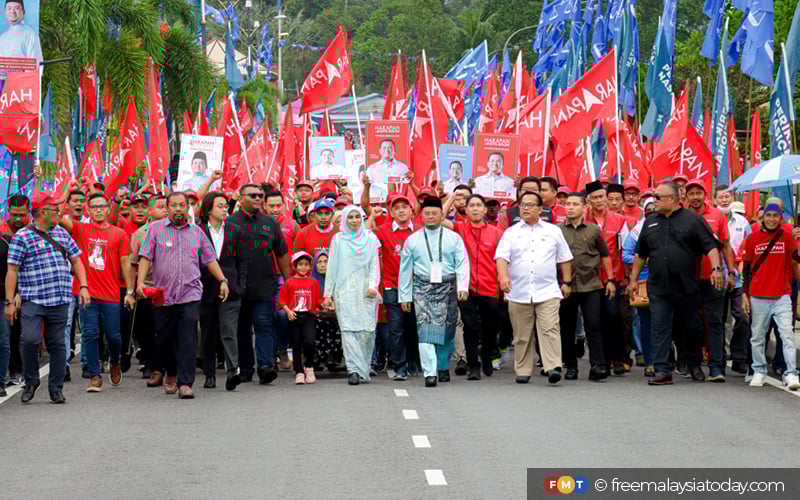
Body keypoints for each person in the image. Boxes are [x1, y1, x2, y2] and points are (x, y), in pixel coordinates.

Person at [627, 182, 724, 386]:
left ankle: (694, 364)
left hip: (687, 286)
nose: (655, 200)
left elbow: (711, 247)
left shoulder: (693, 220)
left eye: (658, 197)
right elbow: (640, 253)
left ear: (672, 198)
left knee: (691, 327)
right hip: (658, 287)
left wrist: (717, 269)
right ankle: (663, 370)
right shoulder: (650, 222)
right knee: (659, 326)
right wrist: (633, 280)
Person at [137, 192, 230, 400]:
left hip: (190, 294)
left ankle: (185, 383)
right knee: (164, 339)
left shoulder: (196, 232)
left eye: (182, 205)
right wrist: (140, 283)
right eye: (174, 205)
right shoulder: (155, 230)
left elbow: (209, 259)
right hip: (163, 295)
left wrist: (222, 280)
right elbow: (145, 257)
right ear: (167, 208)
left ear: (187, 207)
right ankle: (171, 372)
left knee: (188, 338)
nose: (178, 209)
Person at [6, 192, 90, 404]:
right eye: (55, 209)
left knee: (57, 345)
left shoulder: (62, 233)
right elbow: (12, 270)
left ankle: (56, 388)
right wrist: (9, 301)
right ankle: (32, 380)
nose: (59, 213)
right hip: (33, 299)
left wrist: (84, 286)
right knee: (30, 340)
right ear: (43, 212)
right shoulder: (22, 237)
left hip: (60, 298)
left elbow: (77, 261)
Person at [58, 193, 135, 393]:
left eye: (102, 206)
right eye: (94, 206)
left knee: (114, 336)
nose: (99, 209)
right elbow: (56, 216)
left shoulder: (119, 233)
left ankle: (115, 361)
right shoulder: (81, 229)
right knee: (90, 335)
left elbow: (126, 264)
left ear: (108, 209)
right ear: (88, 210)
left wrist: (130, 291)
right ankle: (94, 375)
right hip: (87, 294)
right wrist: (68, 191)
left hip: (111, 294)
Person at [496, 191, 573, 385]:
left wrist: (567, 282)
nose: (526, 208)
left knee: (550, 329)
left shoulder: (553, 231)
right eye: (523, 205)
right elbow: (502, 258)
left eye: (531, 205)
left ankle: (553, 367)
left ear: (541, 209)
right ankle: (523, 369)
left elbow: (564, 258)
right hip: (519, 291)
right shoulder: (511, 232)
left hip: (547, 290)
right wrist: (504, 277)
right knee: (522, 335)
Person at [399, 198, 469, 387]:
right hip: (422, 288)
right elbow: (405, 270)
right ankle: (430, 373)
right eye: (427, 213)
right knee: (425, 330)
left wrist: (463, 287)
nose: (430, 216)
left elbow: (462, 263)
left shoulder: (454, 238)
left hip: (448, 286)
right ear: (422, 216)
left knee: (447, 330)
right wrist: (404, 296)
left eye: (434, 213)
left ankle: (443, 365)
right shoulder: (412, 240)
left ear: (441, 214)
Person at [228, 184, 290, 385]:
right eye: (252, 195)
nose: (257, 199)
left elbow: (280, 252)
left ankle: (265, 366)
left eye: (259, 195)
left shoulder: (269, 222)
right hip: (238, 285)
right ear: (241, 198)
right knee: (242, 328)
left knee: (264, 325)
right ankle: (246, 368)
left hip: (264, 283)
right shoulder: (230, 222)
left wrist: (288, 280)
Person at [741, 200, 800, 389]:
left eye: (775, 215)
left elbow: (796, 260)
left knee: (787, 335)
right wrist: (744, 294)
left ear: (780, 218)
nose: (772, 219)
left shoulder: (788, 236)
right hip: (758, 296)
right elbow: (747, 269)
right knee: (757, 336)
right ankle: (759, 370)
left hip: (782, 296)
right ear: (763, 217)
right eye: (768, 215)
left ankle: (791, 373)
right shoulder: (753, 238)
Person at [445, 194, 503, 380]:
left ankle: (486, 356)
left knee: (490, 327)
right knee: (470, 326)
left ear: (485, 210)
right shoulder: (460, 228)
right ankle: (473, 365)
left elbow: (503, 260)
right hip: (466, 287)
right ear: (466, 209)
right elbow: (439, 218)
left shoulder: (496, 232)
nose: (476, 208)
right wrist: (452, 197)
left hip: (490, 286)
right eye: (472, 205)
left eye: (479, 205)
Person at [559, 192, 616, 381]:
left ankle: (598, 366)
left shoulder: (593, 230)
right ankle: (571, 366)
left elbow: (605, 255)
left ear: (584, 208)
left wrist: (610, 280)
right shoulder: (557, 230)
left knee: (593, 325)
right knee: (566, 328)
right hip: (566, 286)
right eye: (568, 204)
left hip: (591, 285)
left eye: (575, 204)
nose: (570, 207)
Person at [685, 179, 736, 382]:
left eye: (699, 193)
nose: (695, 197)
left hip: (714, 278)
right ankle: (693, 365)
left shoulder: (717, 215)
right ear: (686, 197)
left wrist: (730, 272)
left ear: (705, 194)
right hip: (689, 279)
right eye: (691, 193)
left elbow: (725, 246)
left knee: (715, 321)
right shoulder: (682, 216)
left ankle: (717, 367)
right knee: (692, 323)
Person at [324, 205, 381, 386]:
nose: (354, 221)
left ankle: (363, 366)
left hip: (366, 291)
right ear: (345, 220)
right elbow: (332, 268)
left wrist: (373, 285)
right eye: (350, 217)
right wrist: (328, 295)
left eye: (358, 217)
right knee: (348, 330)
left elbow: (374, 266)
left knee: (367, 331)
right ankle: (353, 370)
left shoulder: (371, 239)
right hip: (345, 290)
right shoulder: (338, 240)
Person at [197, 191, 243, 391]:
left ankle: (233, 369)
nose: (224, 209)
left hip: (231, 288)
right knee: (207, 333)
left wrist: (240, 285)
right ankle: (209, 374)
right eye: (220, 206)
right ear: (208, 209)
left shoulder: (234, 229)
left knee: (228, 330)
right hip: (205, 289)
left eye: (226, 205)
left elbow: (243, 260)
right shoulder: (197, 231)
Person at [584, 181, 629, 375]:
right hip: (590, 278)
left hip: (614, 276)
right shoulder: (583, 219)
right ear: (588, 201)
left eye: (602, 196)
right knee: (596, 319)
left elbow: (626, 250)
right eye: (595, 197)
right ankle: (602, 360)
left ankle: (617, 357)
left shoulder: (619, 220)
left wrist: (627, 276)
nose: (599, 201)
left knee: (613, 316)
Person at [374, 194, 419, 381]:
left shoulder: (419, 230)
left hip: (417, 286)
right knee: (395, 327)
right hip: (393, 286)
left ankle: (413, 362)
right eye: (397, 207)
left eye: (404, 206)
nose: (401, 210)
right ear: (391, 212)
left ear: (412, 210)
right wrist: (371, 216)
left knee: (414, 326)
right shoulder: (383, 230)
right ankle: (399, 365)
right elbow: (365, 236)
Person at [623, 198, 657, 377]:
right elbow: (626, 255)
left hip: (668, 282)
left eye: (655, 208)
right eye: (648, 209)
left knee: (666, 322)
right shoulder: (637, 231)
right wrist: (645, 261)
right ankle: (650, 361)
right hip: (644, 284)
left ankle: (666, 359)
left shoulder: (669, 225)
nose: (652, 211)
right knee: (646, 323)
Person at [280, 252, 322, 384]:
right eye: (300, 265)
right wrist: (288, 311)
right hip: (294, 317)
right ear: (295, 266)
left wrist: (326, 302)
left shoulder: (313, 282)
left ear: (310, 267)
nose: (303, 267)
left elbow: (318, 300)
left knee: (310, 341)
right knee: (296, 344)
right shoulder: (289, 282)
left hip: (309, 316)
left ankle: (309, 367)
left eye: (306, 265)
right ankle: (298, 371)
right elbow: (283, 301)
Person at [1, 193, 29, 387]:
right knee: (7, 333)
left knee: (22, 334)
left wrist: (21, 291)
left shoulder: (32, 232)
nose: (18, 219)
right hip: (5, 291)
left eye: (22, 214)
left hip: (27, 290)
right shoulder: (2, 234)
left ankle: (19, 369)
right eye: (14, 214)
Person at [722, 200, 753, 374]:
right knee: (718, 318)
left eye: (727, 196)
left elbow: (748, 245)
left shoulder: (743, 223)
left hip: (738, 275)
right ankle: (718, 358)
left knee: (742, 316)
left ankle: (738, 357)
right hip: (718, 275)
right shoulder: (713, 219)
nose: (724, 200)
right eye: (720, 197)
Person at [311, 249, 344, 371]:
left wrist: (335, 305)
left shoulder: (338, 280)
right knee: (318, 321)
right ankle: (317, 357)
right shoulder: (311, 280)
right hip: (317, 314)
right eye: (319, 262)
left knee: (337, 321)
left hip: (334, 313)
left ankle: (333, 357)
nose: (323, 264)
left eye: (326, 261)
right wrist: (320, 306)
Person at [0, 0, 42, 74]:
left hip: (22, 82)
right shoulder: (3, 37)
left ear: (23, 11)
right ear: (5, 12)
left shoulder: (29, 33)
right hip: (2, 81)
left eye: (16, 8)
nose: (12, 12)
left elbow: (35, 64)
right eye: (9, 8)